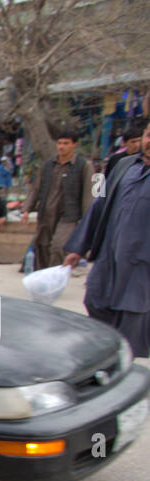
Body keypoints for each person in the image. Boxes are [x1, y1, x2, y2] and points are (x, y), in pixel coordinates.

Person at [63, 119, 150, 357]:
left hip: (142, 267)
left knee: (134, 323)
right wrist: (79, 248)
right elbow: (99, 205)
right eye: (148, 135)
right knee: (95, 302)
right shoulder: (124, 166)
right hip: (109, 258)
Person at [21, 129, 92, 269]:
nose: (61, 147)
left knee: (59, 246)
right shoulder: (47, 165)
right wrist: (26, 209)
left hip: (69, 216)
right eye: (59, 143)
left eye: (66, 143)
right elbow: (36, 188)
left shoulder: (85, 166)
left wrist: (88, 219)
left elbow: (90, 193)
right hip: (46, 214)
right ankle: (42, 278)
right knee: (42, 246)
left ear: (74, 145)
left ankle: (54, 277)